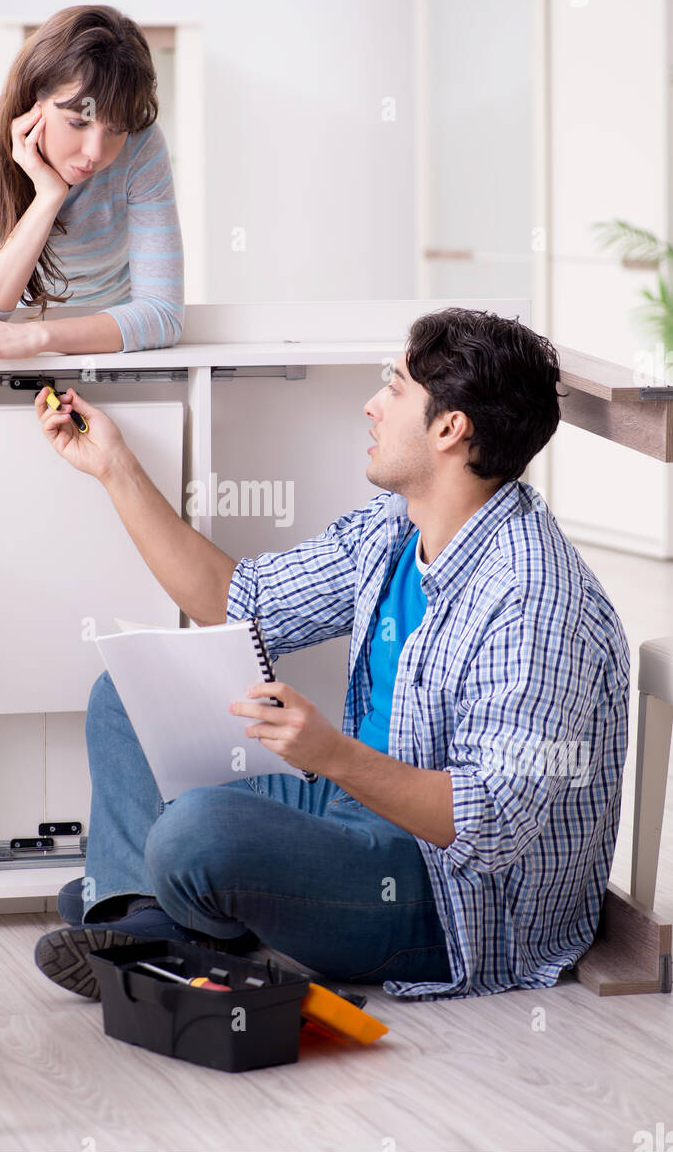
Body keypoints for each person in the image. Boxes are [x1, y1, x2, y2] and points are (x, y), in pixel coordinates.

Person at [32, 307, 630, 1001]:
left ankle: (151, 909)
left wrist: (329, 753)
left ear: (448, 428)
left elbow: (489, 824)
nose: (372, 405)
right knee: (128, 693)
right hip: (350, 809)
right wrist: (114, 468)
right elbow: (238, 600)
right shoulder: (395, 526)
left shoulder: (533, 600)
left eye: (394, 387)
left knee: (194, 836)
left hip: (452, 899)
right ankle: (155, 920)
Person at [0, 4, 184, 371]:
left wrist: (38, 337)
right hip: (6, 356)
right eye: (78, 123)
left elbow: (163, 314)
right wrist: (47, 198)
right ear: (33, 100)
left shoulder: (142, 144)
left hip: (110, 348)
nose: (96, 154)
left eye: (115, 130)